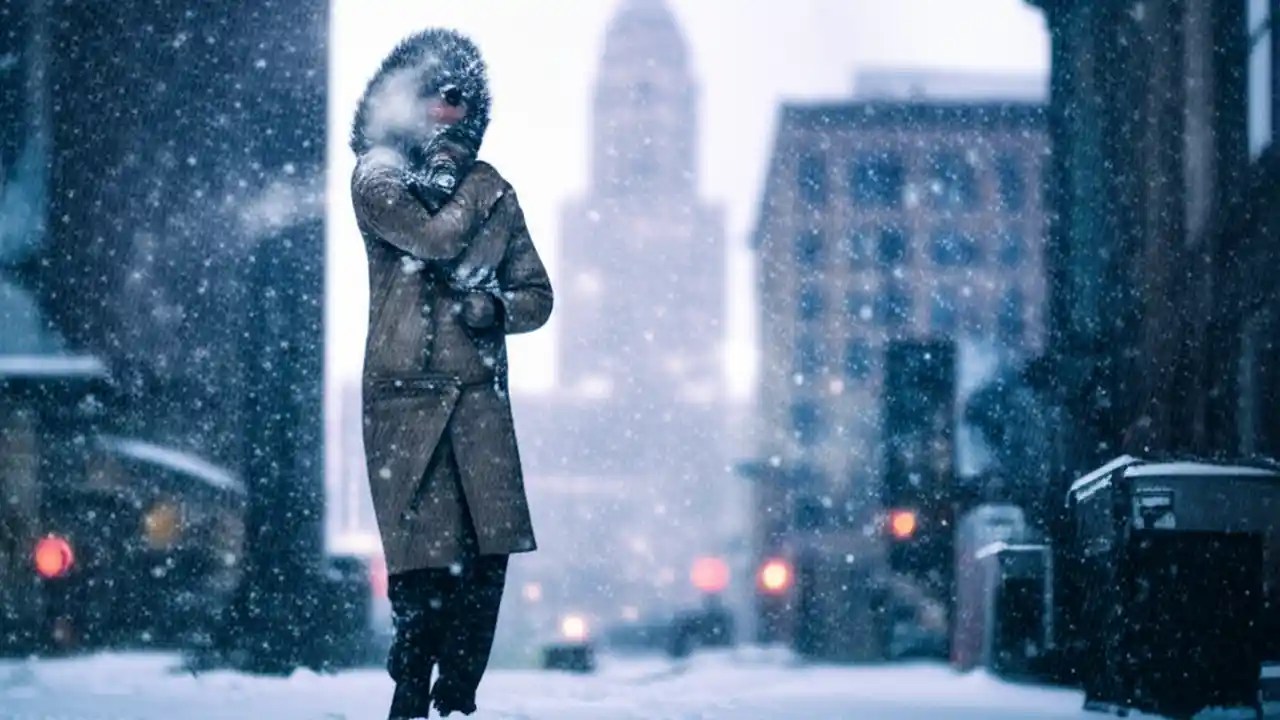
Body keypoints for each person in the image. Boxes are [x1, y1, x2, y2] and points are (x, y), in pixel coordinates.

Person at [349, 28, 553, 719]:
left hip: (477, 404)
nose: (446, 107)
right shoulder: (378, 174)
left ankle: (458, 695)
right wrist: (474, 182)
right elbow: (434, 238)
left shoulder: (494, 193)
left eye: (458, 96)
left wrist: (491, 307)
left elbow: (537, 296)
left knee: (485, 565)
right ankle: (408, 690)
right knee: (421, 566)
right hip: (406, 401)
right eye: (431, 93)